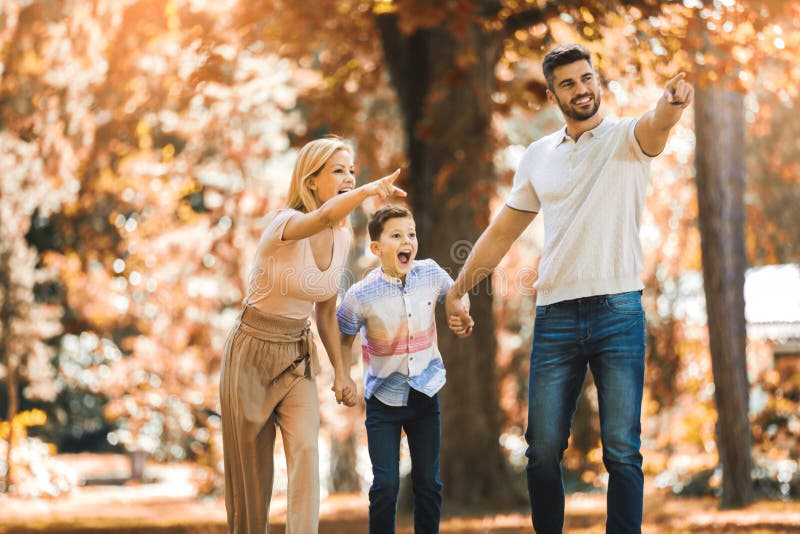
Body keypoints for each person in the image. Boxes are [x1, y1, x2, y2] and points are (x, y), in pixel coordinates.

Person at [445, 44, 693, 533]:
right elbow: (501, 232)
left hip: (618, 311)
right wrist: (459, 288)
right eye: (569, 83)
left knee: (622, 451)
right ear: (553, 93)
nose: (582, 89)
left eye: (587, 78)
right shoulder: (539, 156)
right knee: (540, 453)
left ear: (597, 79)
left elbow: (656, 125)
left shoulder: (626, 138)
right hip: (555, 315)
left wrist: (672, 104)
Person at [219, 136, 405, 533]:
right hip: (251, 353)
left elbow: (325, 310)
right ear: (311, 179)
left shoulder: (342, 236)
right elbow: (320, 218)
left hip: (296, 357)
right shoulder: (284, 224)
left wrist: (341, 371)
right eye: (339, 171)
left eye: (352, 171)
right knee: (253, 486)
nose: (350, 178)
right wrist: (370, 191)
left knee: (306, 455)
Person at [336, 206, 471, 534]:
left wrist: (461, 313)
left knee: (428, 483)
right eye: (396, 235)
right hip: (383, 400)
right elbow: (342, 337)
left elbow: (456, 296)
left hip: (425, 396)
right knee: (384, 485)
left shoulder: (431, 274)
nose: (406, 241)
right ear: (377, 248)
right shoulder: (360, 295)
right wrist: (342, 375)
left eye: (411, 234)